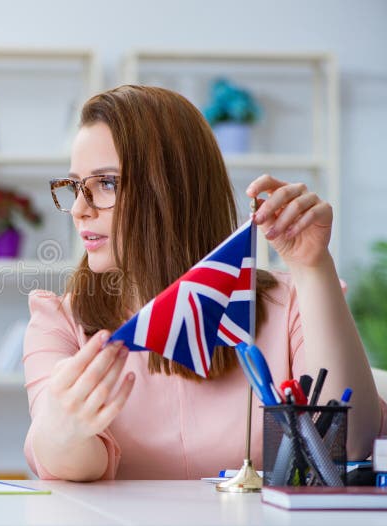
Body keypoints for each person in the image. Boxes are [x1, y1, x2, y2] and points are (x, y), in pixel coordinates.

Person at [23, 85, 386, 481]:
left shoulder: (292, 302)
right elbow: (74, 464)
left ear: (173, 192)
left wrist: (314, 266)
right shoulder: (58, 321)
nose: (79, 209)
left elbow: (350, 446)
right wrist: (61, 432)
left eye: (106, 184)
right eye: (76, 186)